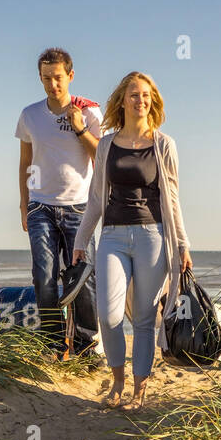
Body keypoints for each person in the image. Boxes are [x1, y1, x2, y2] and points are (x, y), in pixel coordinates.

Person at [71, 71, 192, 410]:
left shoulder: (164, 144)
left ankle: (139, 390)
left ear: (152, 102)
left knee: (142, 319)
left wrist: (182, 245)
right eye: (135, 94)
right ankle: (117, 380)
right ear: (122, 100)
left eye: (146, 95)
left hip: (153, 236)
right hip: (112, 235)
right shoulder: (107, 144)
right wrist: (82, 239)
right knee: (109, 316)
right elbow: (96, 198)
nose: (141, 100)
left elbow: (173, 200)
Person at [15, 48, 103, 361]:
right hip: (40, 206)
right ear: (40, 78)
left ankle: (86, 347)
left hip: (80, 207)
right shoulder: (30, 115)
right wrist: (24, 203)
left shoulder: (89, 112)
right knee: (44, 275)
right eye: (46, 78)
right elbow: (26, 161)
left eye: (58, 78)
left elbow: (100, 155)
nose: (53, 84)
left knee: (83, 279)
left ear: (70, 76)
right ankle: (52, 345)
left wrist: (79, 125)